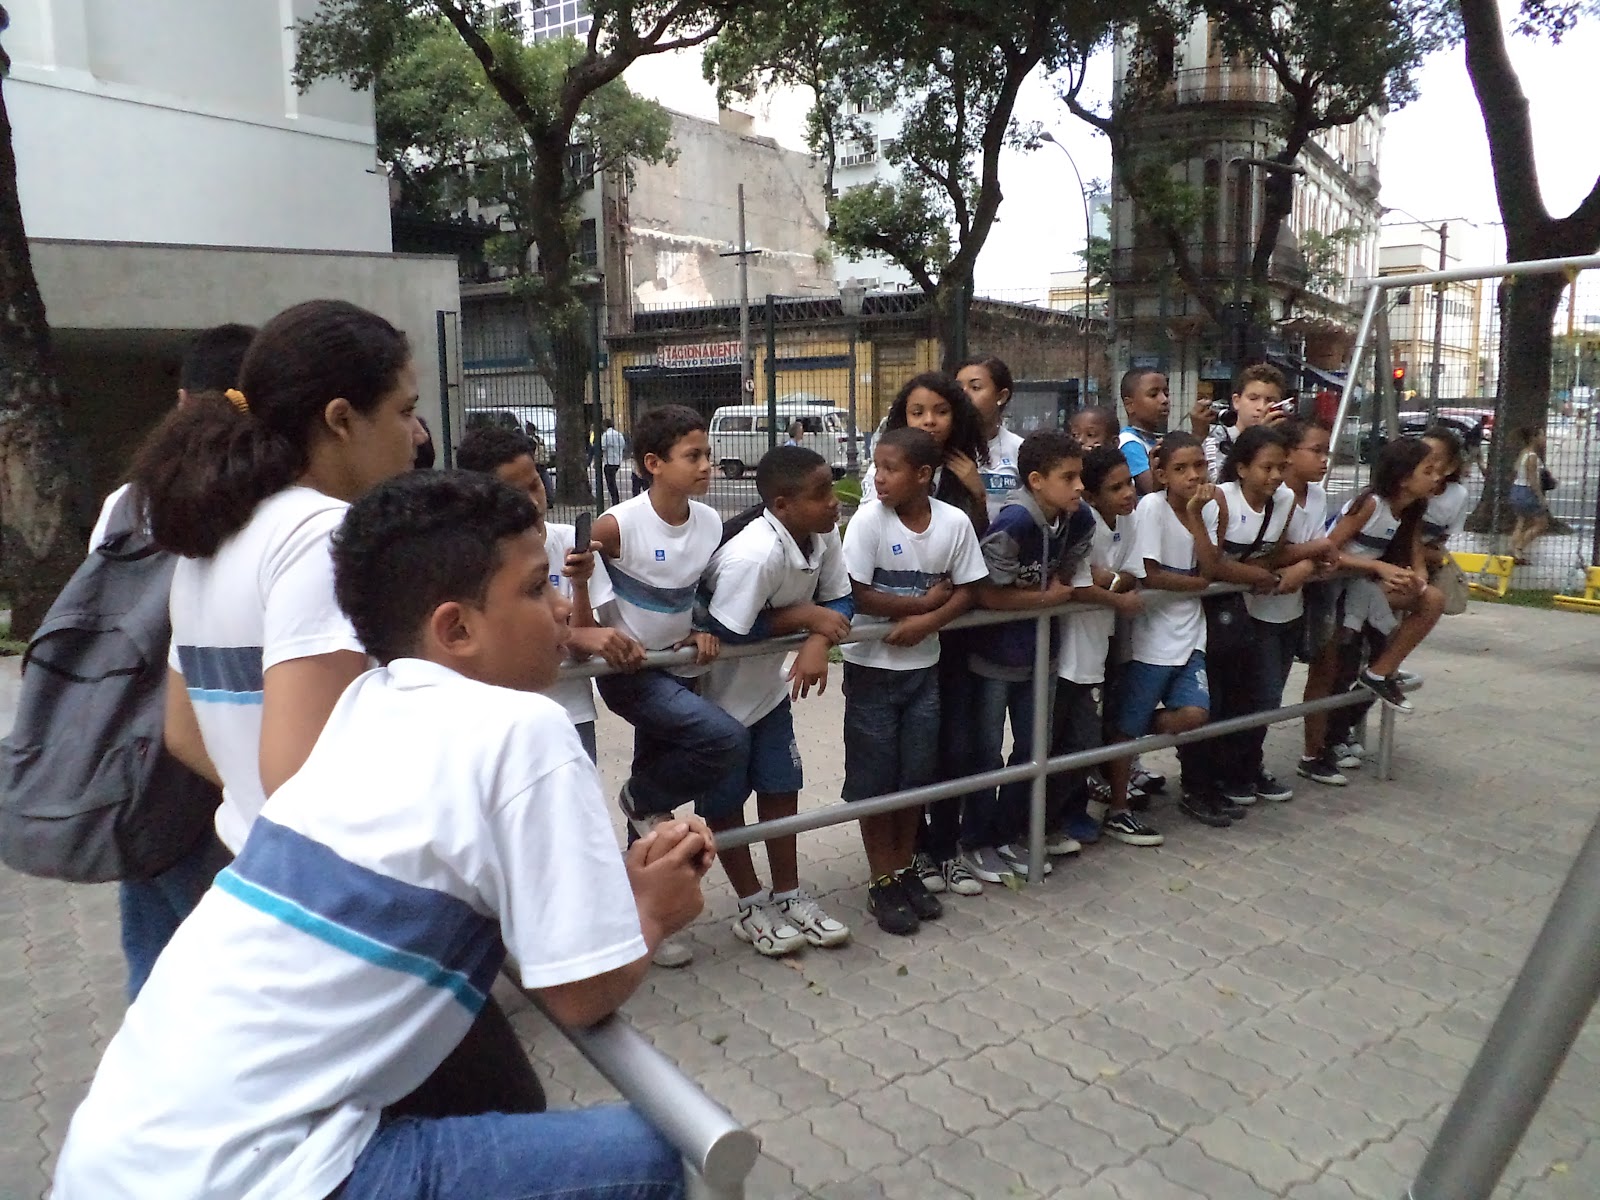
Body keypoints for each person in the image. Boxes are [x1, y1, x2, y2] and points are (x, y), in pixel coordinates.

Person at [51, 470, 710, 1200]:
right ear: (455, 628)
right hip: (255, 1180)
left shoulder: (365, 703)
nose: (561, 609)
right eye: (534, 590)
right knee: (648, 1155)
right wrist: (652, 909)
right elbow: (583, 995)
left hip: (109, 1160)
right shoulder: (524, 728)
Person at [87, 321, 256, 999]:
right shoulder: (253, 500)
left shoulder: (127, 503)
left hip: (134, 760)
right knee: (235, 968)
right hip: (215, 759)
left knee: (155, 958)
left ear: (184, 400)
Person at [591, 404, 748, 968]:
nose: (707, 465)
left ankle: (645, 916)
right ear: (654, 464)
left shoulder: (708, 523)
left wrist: (704, 627)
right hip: (631, 676)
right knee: (723, 741)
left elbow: (707, 587)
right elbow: (581, 577)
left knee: (655, 775)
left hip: (683, 671)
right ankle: (641, 801)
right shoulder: (618, 523)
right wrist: (603, 635)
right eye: (694, 456)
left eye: (706, 453)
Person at [695, 446, 855, 956]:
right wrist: (803, 619)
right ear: (782, 505)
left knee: (782, 787)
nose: (834, 502)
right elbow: (725, 629)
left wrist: (817, 640)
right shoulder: (754, 554)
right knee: (725, 805)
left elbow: (840, 598)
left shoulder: (823, 534)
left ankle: (788, 893)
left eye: (832, 487)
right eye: (822, 493)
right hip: (716, 705)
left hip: (769, 693)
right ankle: (750, 904)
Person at [841, 427, 987, 935]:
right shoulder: (867, 522)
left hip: (923, 673)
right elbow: (858, 593)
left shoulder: (953, 523)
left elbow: (970, 589)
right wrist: (920, 604)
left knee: (914, 779)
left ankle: (904, 869)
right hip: (872, 675)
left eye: (890, 469)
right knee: (875, 781)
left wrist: (928, 623)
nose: (878, 478)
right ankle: (880, 880)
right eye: (876, 467)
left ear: (923, 476)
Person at [456, 424, 645, 762]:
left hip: (570, 711)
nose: (532, 501)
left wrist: (580, 583)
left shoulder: (570, 539)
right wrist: (574, 637)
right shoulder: (471, 559)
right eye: (516, 493)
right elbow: (498, 638)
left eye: (535, 484)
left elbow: (587, 642)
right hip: (503, 715)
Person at [961, 431, 1093, 882]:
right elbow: (987, 596)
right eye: (1068, 477)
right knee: (985, 754)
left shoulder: (1079, 519)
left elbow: (1066, 574)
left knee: (1034, 748)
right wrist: (1044, 599)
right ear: (1036, 480)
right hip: (995, 658)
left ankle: (1007, 833)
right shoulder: (1014, 522)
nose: (1079, 486)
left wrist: (1047, 593)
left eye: (1081, 476)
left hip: (1042, 656)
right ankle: (974, 841)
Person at [1051, 445, 1160, 848]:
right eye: (1116, 488)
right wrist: (1111, 589)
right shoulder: (1083, 522)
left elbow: (1130, 575)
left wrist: (1107, 582)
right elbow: (1076, 581)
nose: (1129, 493)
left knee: (1086, 733)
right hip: (1070, 647)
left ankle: (1071, 813)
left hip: (1103, 644)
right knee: (1063, 738)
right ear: (1093, 496)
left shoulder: (1129, 522)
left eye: (1130, 483)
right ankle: (1047, 821)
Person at [1302, 438, 1444, 742]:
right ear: (1404, 478)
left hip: (1362, 586)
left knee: (1431, 598)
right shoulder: (1371, 504)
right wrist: (1378, 568)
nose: (1436, 478)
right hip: (1333, 586)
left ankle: (1381, 671)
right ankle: (1327, 741)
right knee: (1336, 664)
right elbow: (1329, 551)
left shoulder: (1412, 510)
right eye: (1428, 471)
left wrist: (1414, 578)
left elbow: (1416, 558)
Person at [1115, 433, 1221, 826]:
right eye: (1180, 469)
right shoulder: (1151, 509)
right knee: (1126, 732)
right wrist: (1196, 585)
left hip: (1192, 631)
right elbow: (1151, 574)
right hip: (1151, 636)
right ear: (1160, 474)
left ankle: (1127, 727)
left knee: (1194, 712)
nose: (1193, 476)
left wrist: (1196, 515)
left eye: (1199, 466)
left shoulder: (1205, 510)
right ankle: (1119, 805)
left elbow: (1212, 565)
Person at [1190, 426, 1298, 811]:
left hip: (1244, 615)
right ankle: (1203, 782)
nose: (1275, 476)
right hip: (1208, 613)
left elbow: (1274, 552)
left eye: (1281, 467)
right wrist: (1257, 576)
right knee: (1213, 699)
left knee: (1247, 696)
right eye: (1266, 467)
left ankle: (1240, 771)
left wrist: (1279, 567)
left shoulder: (1283, 500)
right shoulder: (1220, 501)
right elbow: (1212, 564)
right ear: (1240, 468)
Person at [955, 355, 1024, 522]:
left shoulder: (1020, 449)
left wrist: (979, 491)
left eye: (975, 387)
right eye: (958, 388)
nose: (964, 395)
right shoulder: (945, 447)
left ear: (1001, 396)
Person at [1195, 363, 1292, 480]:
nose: (1261, 406)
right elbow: (1220, 482)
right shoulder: (1213, 436)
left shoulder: (1284, 444)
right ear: (1236, 401)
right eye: (1253, 398)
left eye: (1270, 400)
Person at [1116, 368, 1169, 495]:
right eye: (1153, 395)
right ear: (1130, 405)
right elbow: (1153, 490)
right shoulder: (1129, 443)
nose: (1164, 400)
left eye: (1166, 393)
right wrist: (1197, 435)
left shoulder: (1153, 438)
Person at [1509, 424, 1549, 564]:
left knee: (1521, 521)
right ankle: (1519, 548)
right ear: (1534, 438)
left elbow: (1515, 470)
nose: (1544, 439)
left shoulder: (1523, 453)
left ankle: (1513, 549)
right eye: (1541, 435)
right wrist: (1540, 497)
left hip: (1516, 489)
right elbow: (1532, 479)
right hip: (1527, 491)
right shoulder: (1532, 457)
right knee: (1541, 524)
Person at [600, 417, 627, 506]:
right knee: (613, 481)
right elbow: (623, 445)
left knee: (611, 483)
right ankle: (616, 500)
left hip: (609, 461)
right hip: (617, 460)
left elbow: (602, 447)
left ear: (604, 426)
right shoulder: (619, 434)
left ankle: (615, 500)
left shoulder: (606, 435)